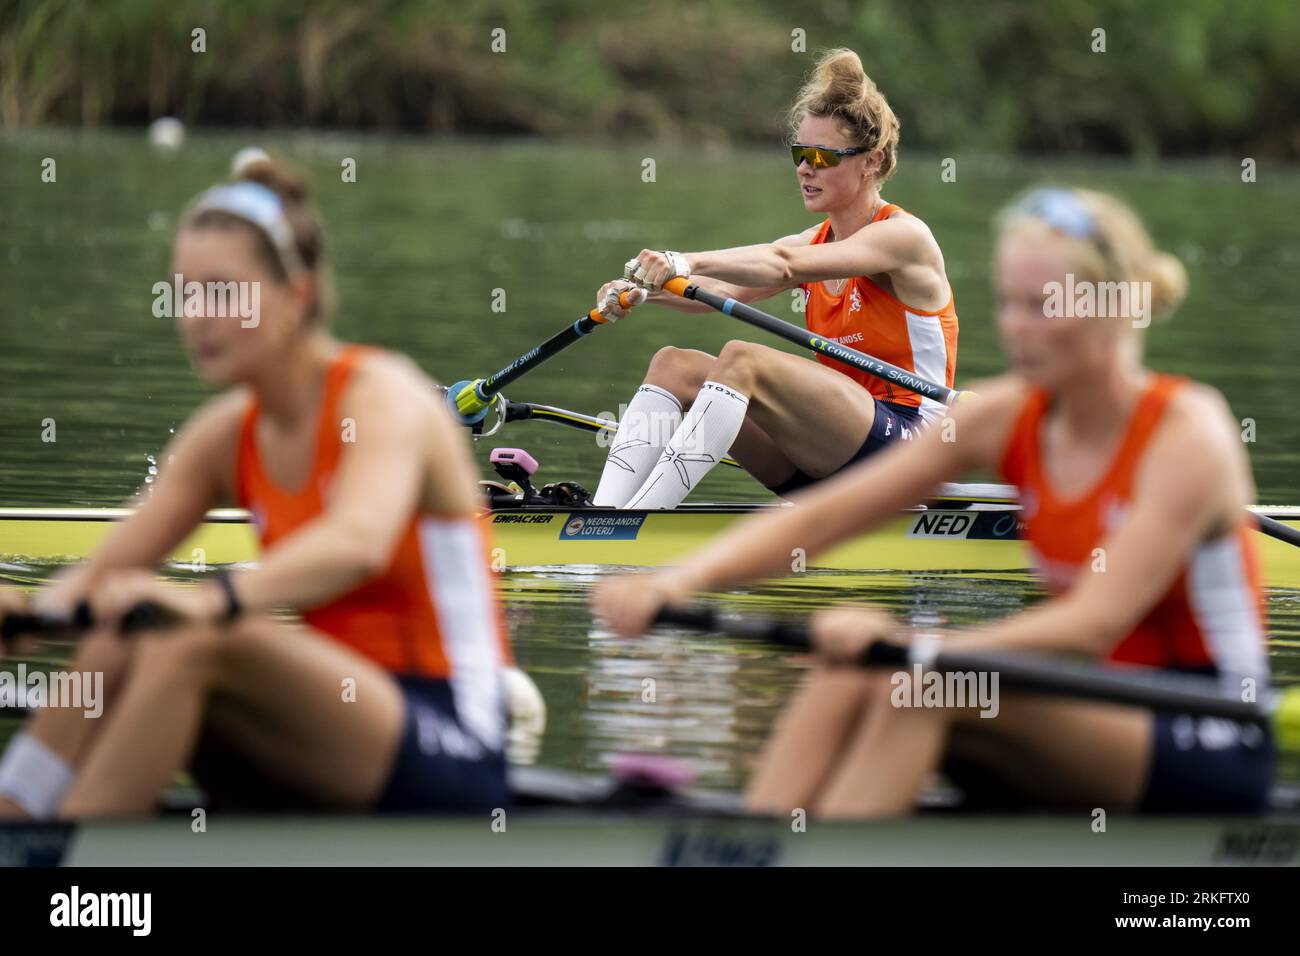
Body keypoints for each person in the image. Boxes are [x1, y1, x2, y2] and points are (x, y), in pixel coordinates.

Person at [592, 186, 1273, 818]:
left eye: (1040, 308)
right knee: (847, 674)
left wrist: (914, 648)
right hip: (1104, 708)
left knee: (908, 682)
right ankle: (760, 843)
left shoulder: (1189, 434)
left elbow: (1093, 624)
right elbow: (832, 516)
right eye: (1008, 305)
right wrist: (679, 580)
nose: (1015, 330)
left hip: (1205, 729)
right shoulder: (1006, 416)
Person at [0, 156, 514, 819]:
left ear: (295, 297)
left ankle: (73, 859)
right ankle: (15, 816)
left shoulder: (384, 396)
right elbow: (103, 573)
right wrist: (31, 613)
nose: (196, 317)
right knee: (116, 638)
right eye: (185, 293)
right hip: (327, 731)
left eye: (221, 292)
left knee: (191, 637)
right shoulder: (224, 435)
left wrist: (210, 604)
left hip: (451, 738)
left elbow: (356, 542)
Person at [590, 48, 958, 509]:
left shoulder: (905, 238)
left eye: (822, 156)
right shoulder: (816, 241)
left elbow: (781, 263)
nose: (805, 168)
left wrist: (686, 260)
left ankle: (639, 523)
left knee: (744, 359)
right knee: (674, 364)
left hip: (911, 449)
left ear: (871, 161)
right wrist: (645, 292)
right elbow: (717, 296)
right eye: (799, 153)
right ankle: (601, 517)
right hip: (837, 452)